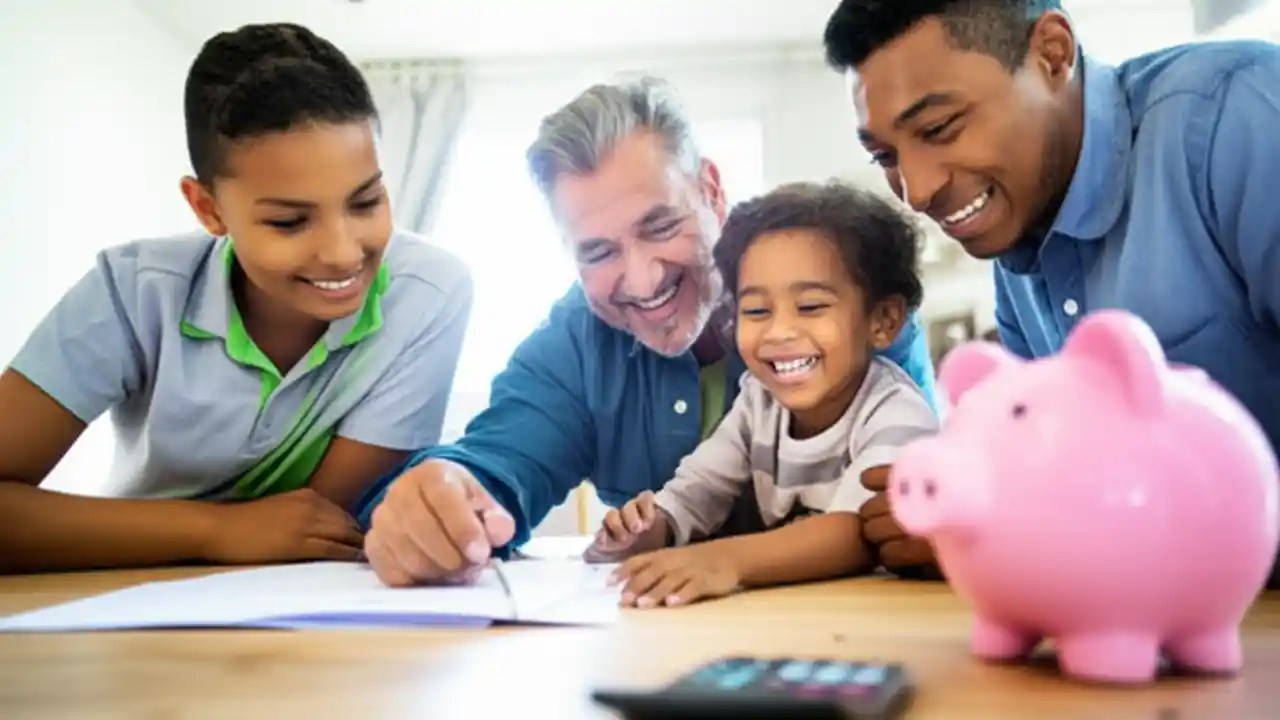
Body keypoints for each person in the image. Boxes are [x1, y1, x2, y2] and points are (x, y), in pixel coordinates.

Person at [362, 78, 941, 588]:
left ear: (711, 190)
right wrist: (442, 497)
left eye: (660, 225)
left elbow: (896, 510)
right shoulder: (570, 347)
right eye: (598, 252)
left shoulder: (851, 304)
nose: (642, 280)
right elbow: (496, 467)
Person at [822, 0, 1280, 586]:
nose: (917, 190)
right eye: (885, 157)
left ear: (1052, 54)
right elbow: (1067, 487)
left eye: (938, 129)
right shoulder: (1016, 260)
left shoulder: (1234, 117)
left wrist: (1027, 535)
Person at [0, 23, 472, 573]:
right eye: (289, 221)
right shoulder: (132, 291)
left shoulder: (428, 293)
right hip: (131, 582)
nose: (343, 253)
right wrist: (215, 529)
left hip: (301, 593)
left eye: (366, 202)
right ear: (208, 209)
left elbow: (322, 523)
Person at [585, 181, 940, 609]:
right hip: (794, 616)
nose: (779, 331)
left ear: (882, 320)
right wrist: (650, 529)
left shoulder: (897, 412)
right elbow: (698, 489)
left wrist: (724, 560)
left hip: (879, 616)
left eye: (810, 306)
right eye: (756, 311)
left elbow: (856, 531)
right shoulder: (758, 400)